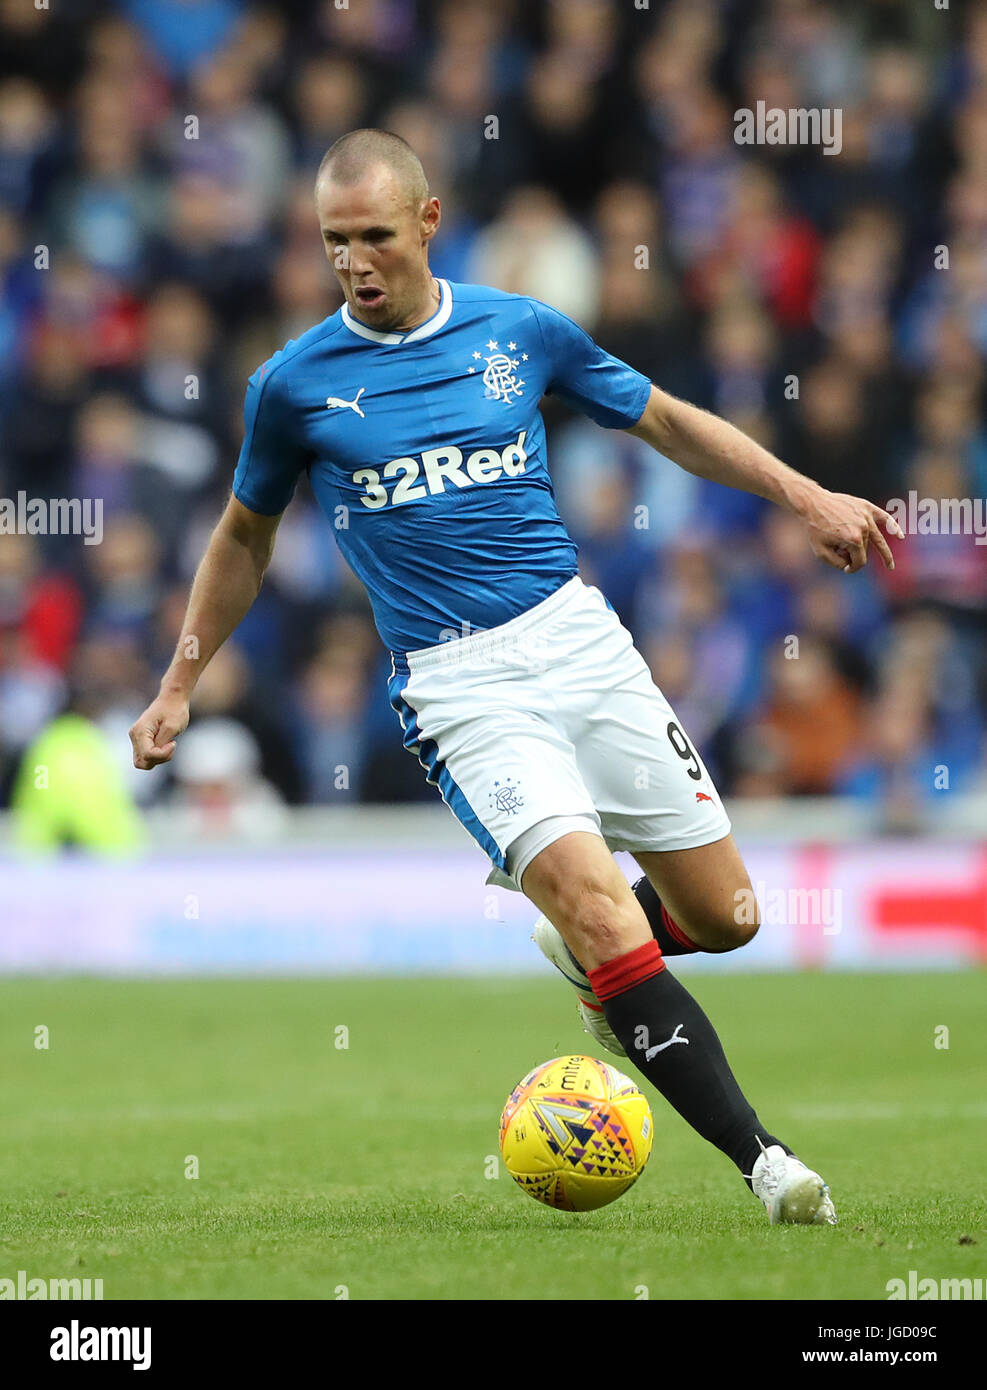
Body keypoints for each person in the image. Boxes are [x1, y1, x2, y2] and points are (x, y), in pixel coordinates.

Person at [130, 129, 904, 1224]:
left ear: (430, 222)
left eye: (377, 238)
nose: (355, 262)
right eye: (334, 242)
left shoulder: (520, 329)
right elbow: (242, 539)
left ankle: (599, 962)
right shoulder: (291, 385)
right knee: (600, 910)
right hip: (461, 685)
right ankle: (769, 1166)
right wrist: (179, 682)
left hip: (581, 641)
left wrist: (804, 494)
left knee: (729, 915)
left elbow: (667, 421)